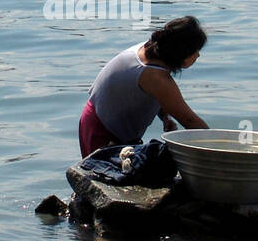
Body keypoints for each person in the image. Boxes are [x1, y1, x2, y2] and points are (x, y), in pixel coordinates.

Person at [80, 16, 209, 156]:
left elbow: (146, 91)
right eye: (196, 51)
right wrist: (216, 144)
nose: (198, 55)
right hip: (103, 130)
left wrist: (165, 116)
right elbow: (189, 120)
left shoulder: (152, 48)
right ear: (182, 53)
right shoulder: (156, 77)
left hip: (97, 116)